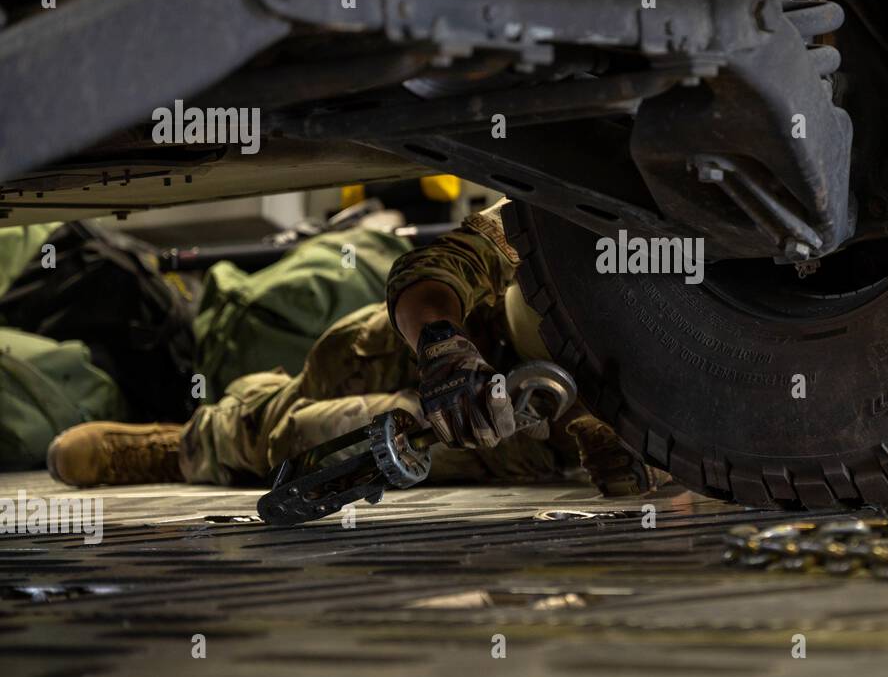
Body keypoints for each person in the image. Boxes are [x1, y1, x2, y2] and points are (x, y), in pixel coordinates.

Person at [45, 200, 658, 498]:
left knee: (313, 440)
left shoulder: (733, 321)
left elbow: (714, 450)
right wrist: (444, 346)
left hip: (512, 426)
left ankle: (189, 453)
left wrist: (630, 452)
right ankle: (206, 434)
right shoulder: (568, 207)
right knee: (330, 368)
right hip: (455, 341)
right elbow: (435, 267)